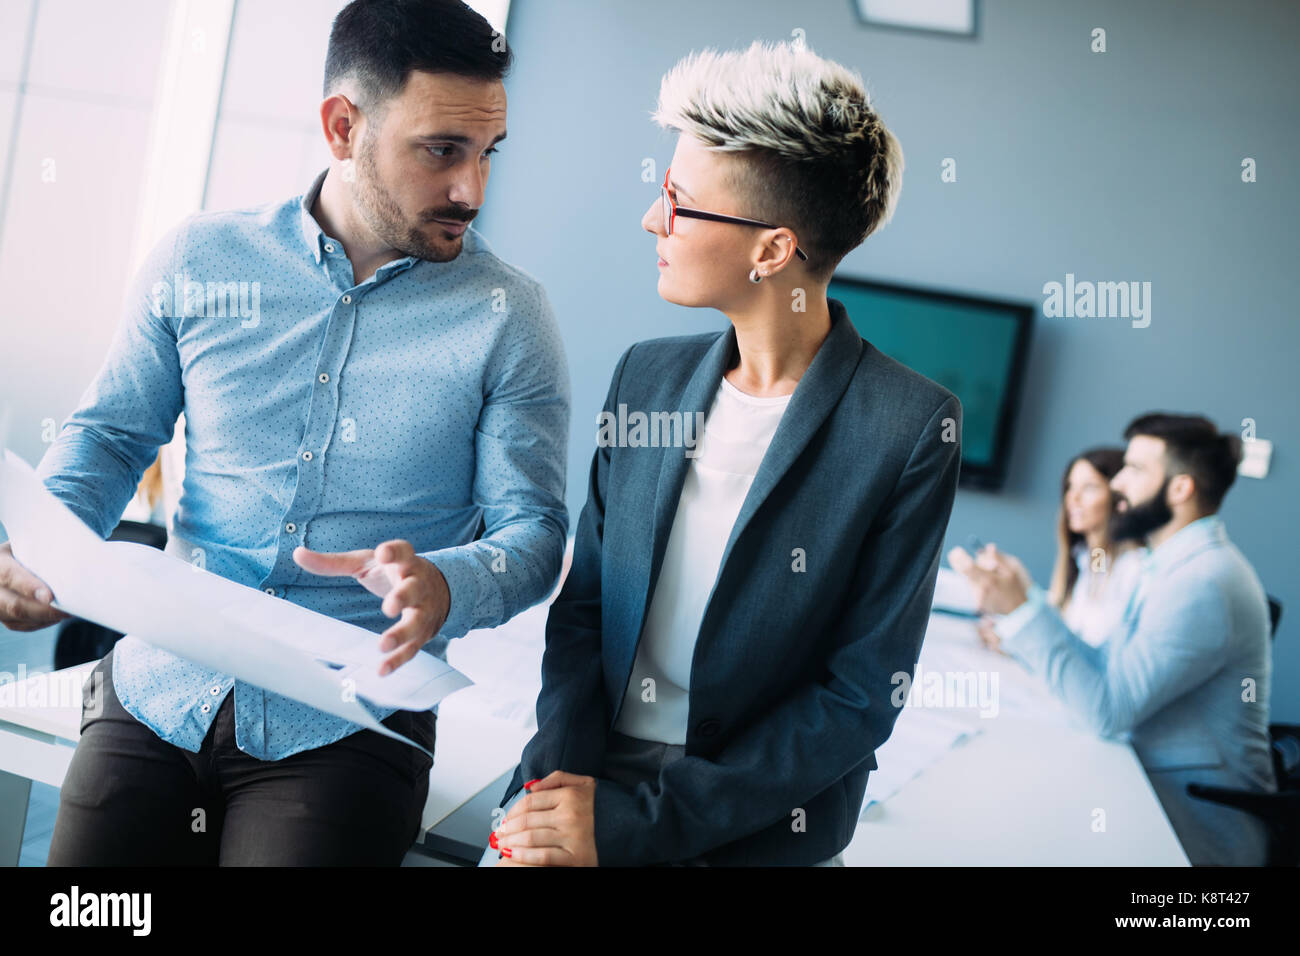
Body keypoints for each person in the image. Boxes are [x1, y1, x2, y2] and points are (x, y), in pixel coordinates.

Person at [0, 0, 570, 865]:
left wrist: (446, 585)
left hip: (350, 723)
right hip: (160, 687)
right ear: (344, 127)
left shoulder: (509, 318)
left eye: (487, 154)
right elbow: (112, 436)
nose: (473, 191)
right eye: (442, 151)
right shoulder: (198, 259)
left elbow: (535, 533)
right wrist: (42, 549)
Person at [485, 40, 961, 867]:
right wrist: (562, 782)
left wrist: (637, 825)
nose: (651, 219)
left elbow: (857, 698)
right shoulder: (647, 376)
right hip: (583, 770)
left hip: (755, 817)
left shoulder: (910, 428)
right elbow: (586, 604)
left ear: (772, 250)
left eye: (677, 200)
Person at [951, 413, 1277, 866]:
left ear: (1180, 489)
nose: (1117, 483)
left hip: (1191, 830)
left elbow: (1108, 709)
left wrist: (1021, 613)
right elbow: (1105, 664)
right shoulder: (1171, 565)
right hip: (1140, 789)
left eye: (1135, 470)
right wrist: (1026, 604)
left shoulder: (1203, 581)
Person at [977, 447, 1140, 652]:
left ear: (1119, 497)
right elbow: (1069, 623)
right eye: (1070, 486)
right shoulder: (1092, 556)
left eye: (1089, 487)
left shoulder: (1131, 566)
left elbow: (1089, 640)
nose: (1073, 498)